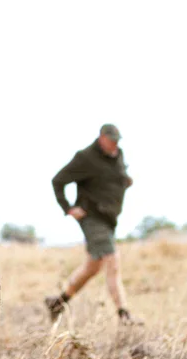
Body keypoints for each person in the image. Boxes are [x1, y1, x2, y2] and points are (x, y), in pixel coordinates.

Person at [45, 123, 137, 324]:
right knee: (112, 260)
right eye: (111, 141)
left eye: (117, 141)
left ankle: (59, 302)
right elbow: (58, 180)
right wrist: (68, 208)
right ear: (101, 138)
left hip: (109, 219)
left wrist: (124, 181)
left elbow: (114, 175)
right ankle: (124, 314)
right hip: (92, 218)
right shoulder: (85, 158)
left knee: (93, 267)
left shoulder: (117, 155)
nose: (114, 145)